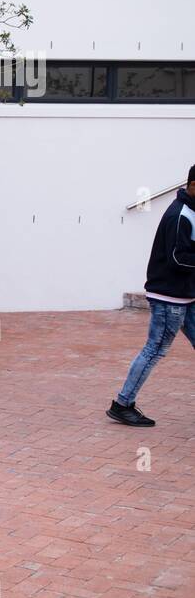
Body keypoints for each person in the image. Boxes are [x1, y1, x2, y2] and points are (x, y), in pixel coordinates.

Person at [108, 163, 195, 427]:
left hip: (186, 296)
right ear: (193, 186)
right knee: (154, 350)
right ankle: (122, 404)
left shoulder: (191, 211)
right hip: (171, 298)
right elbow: (177, 259)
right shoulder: (180, 215)